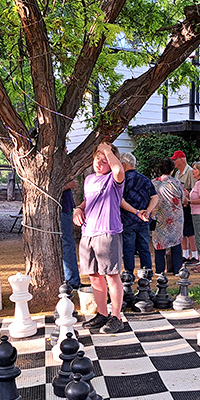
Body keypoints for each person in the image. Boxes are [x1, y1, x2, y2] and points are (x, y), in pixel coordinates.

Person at [73, 142, 125, 334]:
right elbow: (88, 199)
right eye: (98, 159)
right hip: (88, 233)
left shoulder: (114, 178)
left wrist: (108, 151)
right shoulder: (88, 180)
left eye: (105, 161)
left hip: (107, 232)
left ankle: (116, 317)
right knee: (94, 276)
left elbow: (118, 169)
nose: (100, 164)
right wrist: (79, 208)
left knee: (112, 275)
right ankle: (102, 314)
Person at [119, 152, 158, 275]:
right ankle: (147, 272)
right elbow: (155, 197)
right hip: (144, 220)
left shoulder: (122, 181)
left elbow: (121, 200)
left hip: (128, 219)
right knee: (144, 248)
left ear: (123, 164)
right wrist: (148, 211)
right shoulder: (145, 179)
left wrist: (136, 212)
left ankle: (129, 273)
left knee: (128, 249)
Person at [152, 157, 185, 275]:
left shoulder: (154, 183)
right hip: (175, 216)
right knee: (176, 242)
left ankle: (160, 270)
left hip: (159, 216)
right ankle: (177, 269)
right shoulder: (176, 182)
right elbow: (183, 198)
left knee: (159, 242)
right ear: (172, 170)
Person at [171, 150, 198, 265]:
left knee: (190, 231)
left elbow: (195, 190)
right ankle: (185, 255)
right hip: (180, 205)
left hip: (189, 206)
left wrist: (187, 195)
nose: (174, 162)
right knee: (182, 231)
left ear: (181, 159)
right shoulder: (177, 173)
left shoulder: (191, 172)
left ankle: (195, 255)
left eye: (175, 159)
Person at [61, 180, 81, 289]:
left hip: (66, 209)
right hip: (60, 210)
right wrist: (66, 185)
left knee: (68, 245)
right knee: (67, 245)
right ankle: (71, 281)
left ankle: (73, 279)